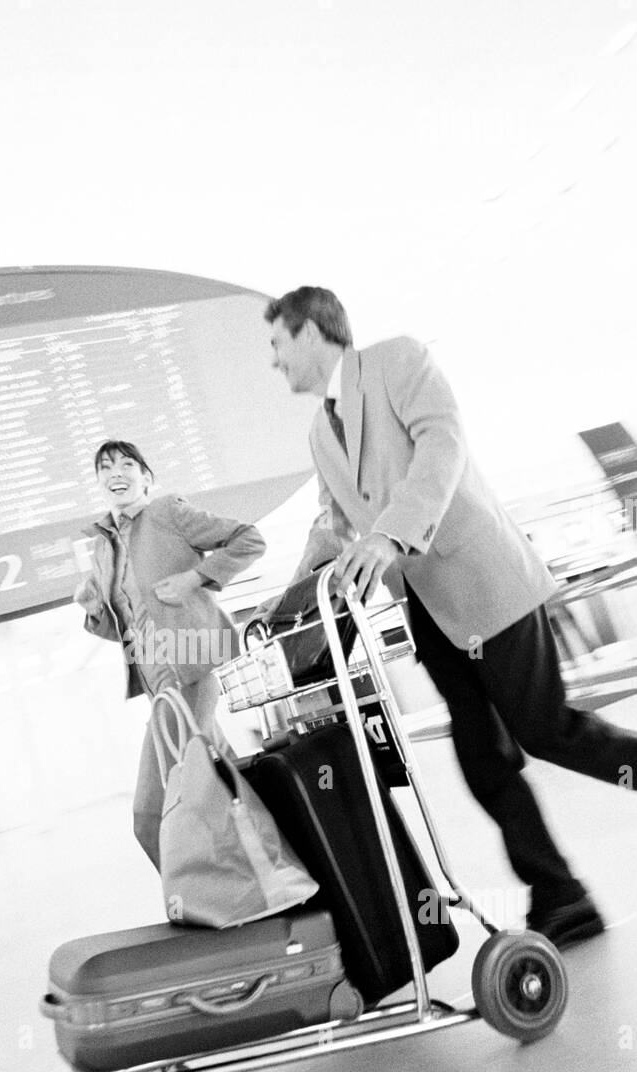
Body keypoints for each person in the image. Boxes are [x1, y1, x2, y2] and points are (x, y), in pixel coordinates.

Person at [261, 284, 637, 949]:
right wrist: (288, 597)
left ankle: (561, 887)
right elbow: (333, 524)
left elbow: (442, 445)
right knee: (482, 758)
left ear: (310, 330)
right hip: (428, 611)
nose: (272, 360)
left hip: (485, 584)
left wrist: (393, 534)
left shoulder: (397, 361)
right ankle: (559, 894)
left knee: (545, 729)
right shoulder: (320, 431)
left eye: (276, 343)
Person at [74, 440, 266, 868]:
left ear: (147, 477)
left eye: (127, 464)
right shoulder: (104, 548)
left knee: (159, 811)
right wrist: (93, 614)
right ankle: (264, 874)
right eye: (106, 467)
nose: (116, 472)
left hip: (192, 674)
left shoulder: (167, 513)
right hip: (158, 690)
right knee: (231, 785)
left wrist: (195, 578)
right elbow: (127, 626)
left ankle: (220, 891)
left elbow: (249, 539)